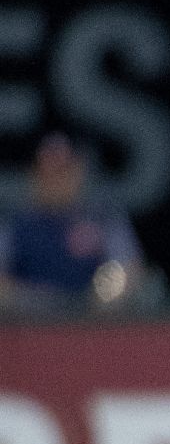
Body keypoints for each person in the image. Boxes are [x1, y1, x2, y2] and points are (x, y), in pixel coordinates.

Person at [0, 132, 144, 312]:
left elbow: (127, 269)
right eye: (48, 171)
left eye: (62, 170)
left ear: (78, 171)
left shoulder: (103, 218)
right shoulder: (15, 222)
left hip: (90, 319)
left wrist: (98, 300)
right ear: (34, 174)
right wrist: (34, 301)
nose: (55, 180)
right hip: (28, 319)